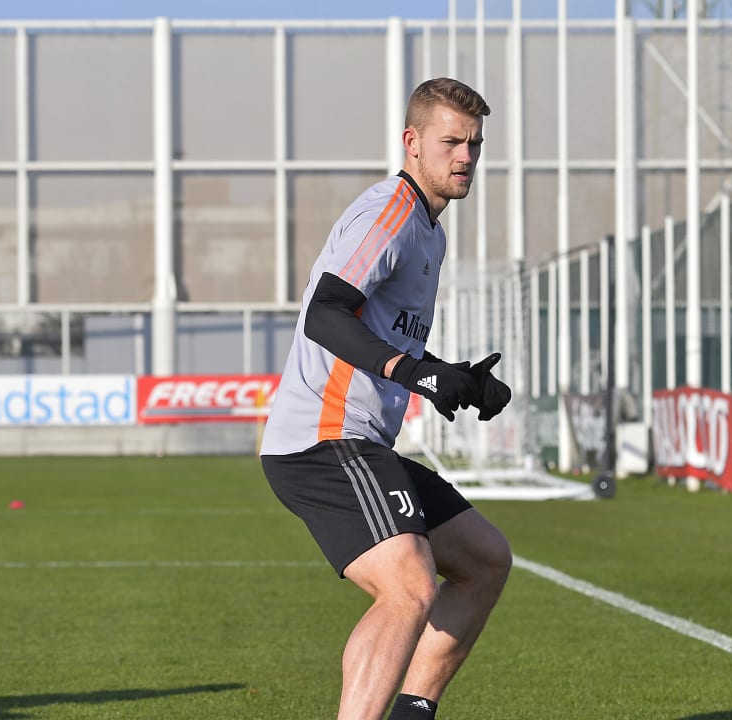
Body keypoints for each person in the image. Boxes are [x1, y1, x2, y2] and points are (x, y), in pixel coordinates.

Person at [259, 77, 513, 720]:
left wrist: (453, 376)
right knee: (408, 586)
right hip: (322, 438)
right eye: (451, 141)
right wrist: (415, 372)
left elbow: (383, 339)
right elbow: (325, 315)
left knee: (484, 560)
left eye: (475, 144)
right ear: (412, 143)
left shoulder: (431, 230)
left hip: (361, 441)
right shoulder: (392, 210)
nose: (465, 156)